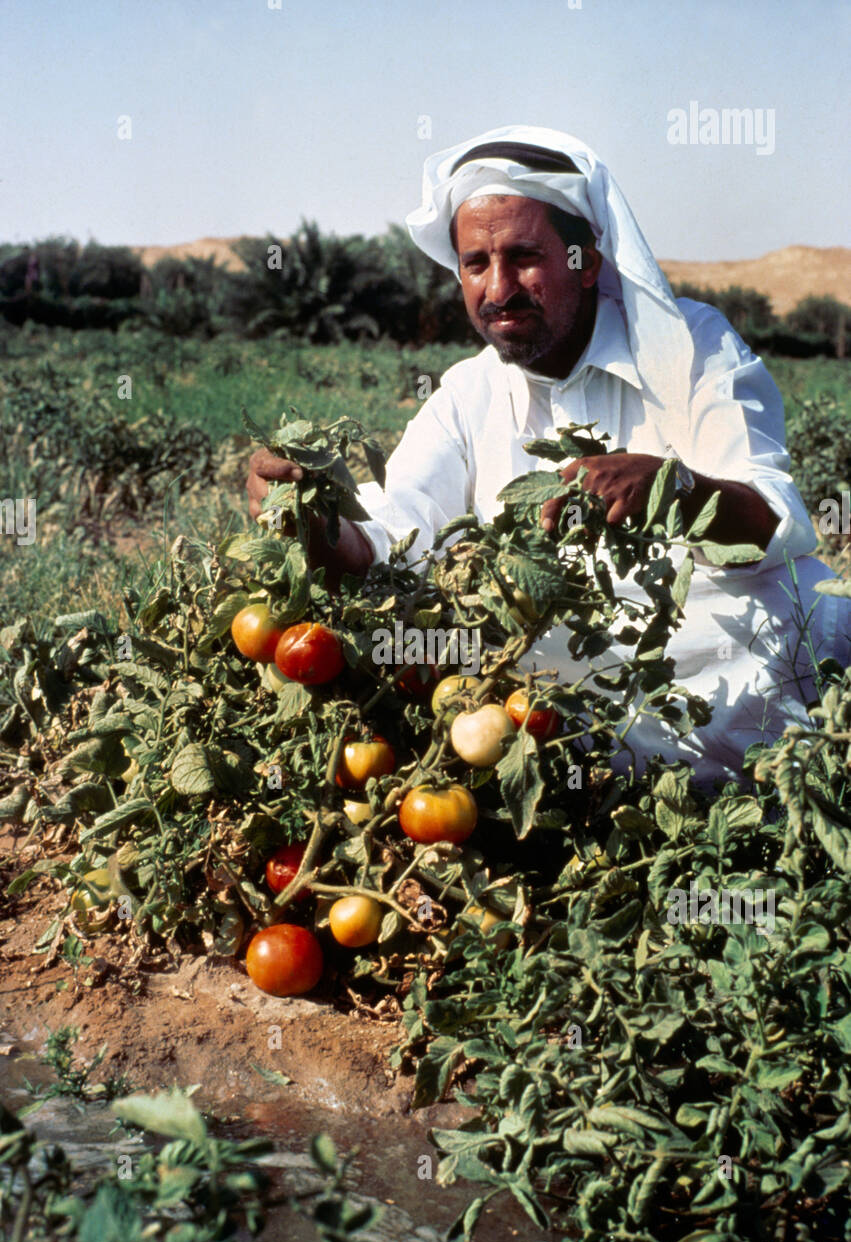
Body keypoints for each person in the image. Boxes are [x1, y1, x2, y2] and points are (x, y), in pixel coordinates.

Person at [247, 124, 851, 786]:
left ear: (585, 261)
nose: (497, 288)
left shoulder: (692, 350)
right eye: (474, 264)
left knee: (778, 610)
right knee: (438, 637)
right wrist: (318, 523)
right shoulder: (466, 393)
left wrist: (673, 489)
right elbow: (398, 531)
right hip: (542, 689)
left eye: (524, 257)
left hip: (703, 655)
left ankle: (773, 781)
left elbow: (774, 521)